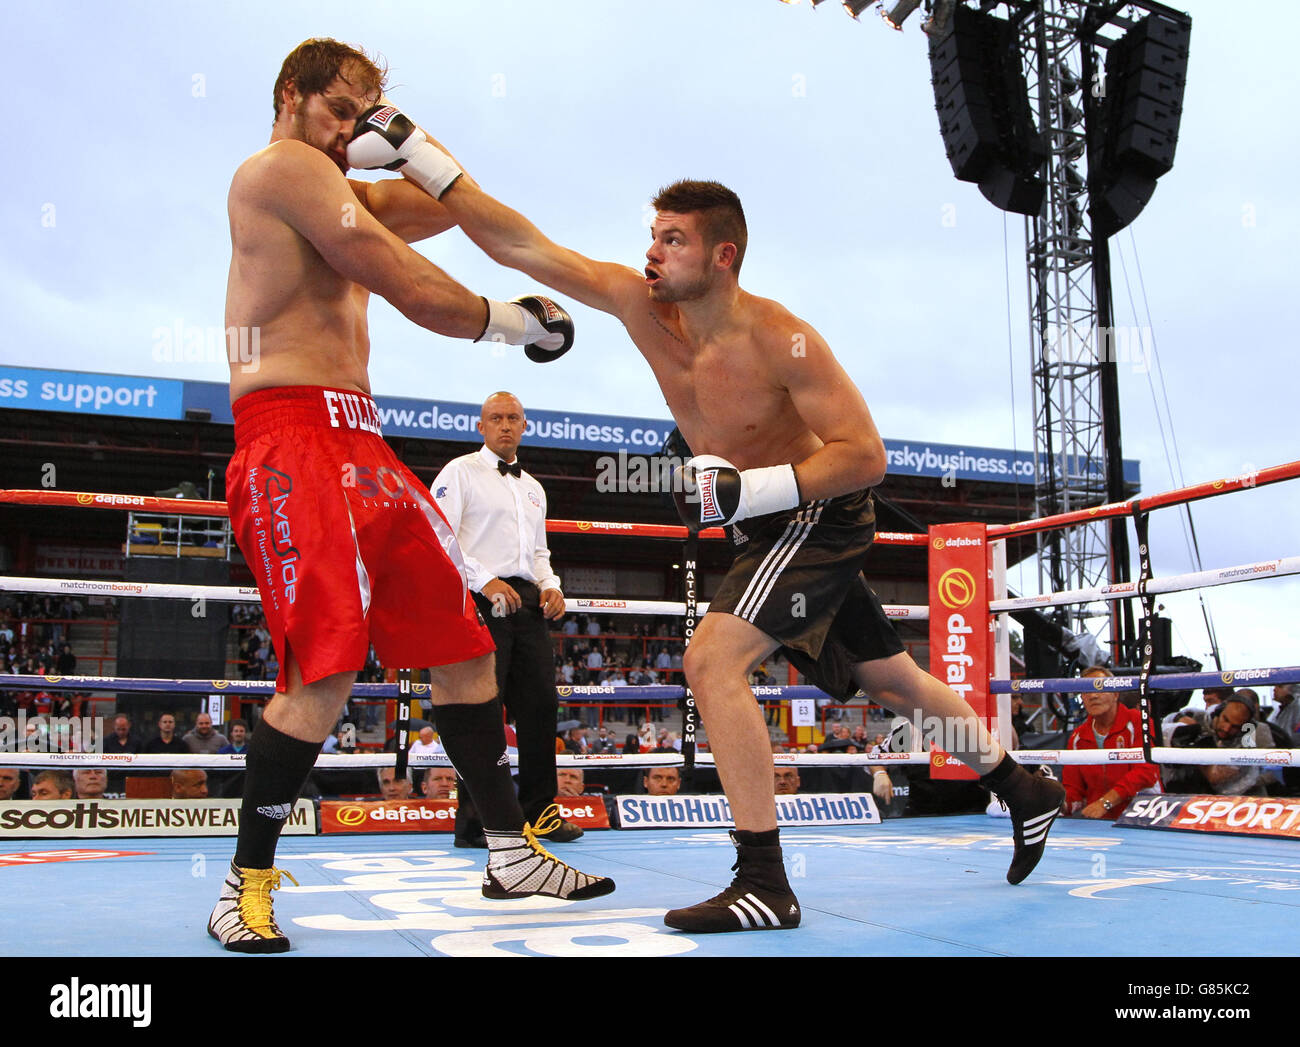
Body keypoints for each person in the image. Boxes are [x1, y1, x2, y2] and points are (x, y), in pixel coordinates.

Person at [363, 140, 1065, 932]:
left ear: (722, 254)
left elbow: (866, 457)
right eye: (653, 236)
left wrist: (755, 487)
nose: (653, 252)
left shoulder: (781, 338)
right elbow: (523, 244)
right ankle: (1020, 785)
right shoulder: (640, 305)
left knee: (709, 657)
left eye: (674, 240)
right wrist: (419, 156)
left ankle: (765, 877)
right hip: (761, 526)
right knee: (893, 679)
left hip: (816, 514)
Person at [207, 38, 614, 954]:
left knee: (463, 641)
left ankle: (511, 849)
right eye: (339, 111)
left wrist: (421, 150)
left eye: (362, 117)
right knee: (326, 668)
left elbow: (445, 210)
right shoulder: (276, 170)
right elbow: (389, 269)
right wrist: (511, 323)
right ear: (291, 95)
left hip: (362, 440)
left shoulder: (340, 183)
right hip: (288, 440)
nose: (351, 131)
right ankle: (245, 885)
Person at [431, 391, 581, 846]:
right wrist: (485, 581)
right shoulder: (460, 472)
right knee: (481, 711)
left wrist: (551, 583)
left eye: (513, 418)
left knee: (539, 706)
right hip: (479, 600)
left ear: (524, 425)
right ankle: (477, 820)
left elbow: (538, 552)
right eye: (496, 418)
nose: (505, 425)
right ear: (481, 426)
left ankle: (540, 812)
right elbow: (440, 534)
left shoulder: (533, 487)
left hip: (528, 603)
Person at [1061, 667, 1160, 819]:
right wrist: (1059, 804)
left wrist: (1105, 802)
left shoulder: (1137, 721)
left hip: (1143, 816)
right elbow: (1074, 789)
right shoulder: (1078, 737)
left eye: (1100, 689)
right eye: (1086, 691)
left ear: (1115, 694)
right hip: (1099, 822)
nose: (1093, 696)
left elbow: (1146, 773)